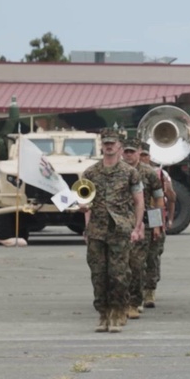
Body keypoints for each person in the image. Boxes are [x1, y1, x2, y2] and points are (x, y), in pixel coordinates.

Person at [79, 128, 145, 333]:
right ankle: (103, 313)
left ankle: (118, 311)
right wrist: (85, 218)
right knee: (98, 274)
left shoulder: (130, 173)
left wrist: (137, 227)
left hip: (120, 229)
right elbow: (85, 201)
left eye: (112, 143)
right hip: (97, 230)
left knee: (119, 274)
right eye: (106, 143)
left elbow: (139, 202)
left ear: (119, 147)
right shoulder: (90, 173)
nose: (109, 146)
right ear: (102, 146)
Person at [121, 137, 164, 319]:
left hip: (142, 224)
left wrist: (156, 225)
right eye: (126, 151)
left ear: (139, 152)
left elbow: (157, 200)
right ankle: (123, 298)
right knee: (120, 264)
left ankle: (136, 299)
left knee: (137, 264)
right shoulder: (116, 171)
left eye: (132, 151)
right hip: (120, 224)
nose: (129, 155)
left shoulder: (149, 173)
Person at [140, 143, 176, 308]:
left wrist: (160, 224)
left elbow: (161, 201)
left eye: (145, 155)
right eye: (140, 155)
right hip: (132, 222)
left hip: (152, 218)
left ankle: (149, 290)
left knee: (152, 257)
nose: (142, 158)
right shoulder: (126, 173)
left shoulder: (158, 174)